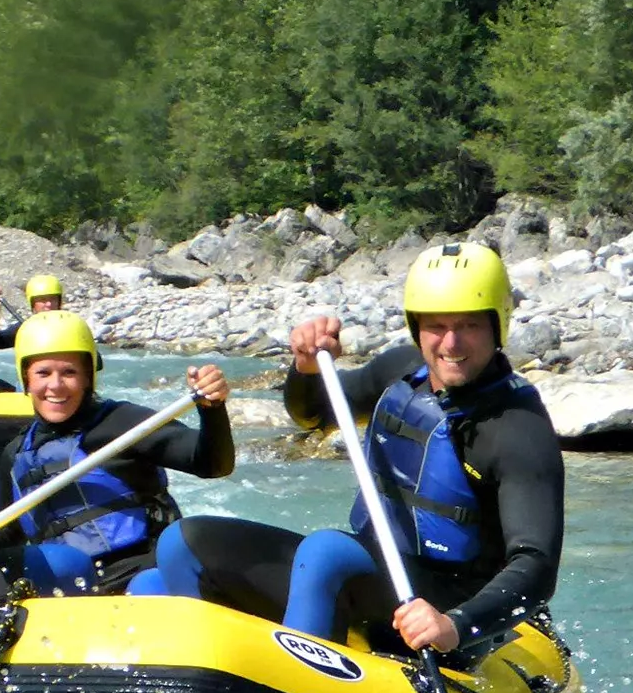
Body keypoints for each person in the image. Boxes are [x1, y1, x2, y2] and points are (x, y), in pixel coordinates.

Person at [141, 241, 562, 654]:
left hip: (447, 607)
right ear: (417, 328)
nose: (450, 343)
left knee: (328, 551)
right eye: (437, 325)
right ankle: (207, 684)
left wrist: (456, 625)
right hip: (371, 576)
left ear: (497, 325)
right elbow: (314, 414)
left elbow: (535, 565)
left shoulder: (517, 428)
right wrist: (306, 370)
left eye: (469, 325)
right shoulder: (400, 372)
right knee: (182, 542)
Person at [0, 311, 233, 595]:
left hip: (139, 574)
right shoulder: (16, 453)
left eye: (69, 372)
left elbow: (211, 464)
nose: (56, 386)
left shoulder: (123, 423)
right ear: (26, 380)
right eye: (43, 373)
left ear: (88, 377)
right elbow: (7, 533)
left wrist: (213, 410)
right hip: (67, 586)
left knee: (150, 585)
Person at [0, 272, 65, 351]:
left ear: (59, 301)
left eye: (53, 299)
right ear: (33, 303)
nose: (49, 304)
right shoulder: (25, 329)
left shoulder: (71, 326)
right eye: (43, 300)